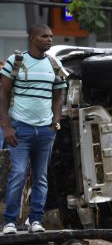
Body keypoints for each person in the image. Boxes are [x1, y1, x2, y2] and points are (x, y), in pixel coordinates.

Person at [0, 24, 67, 234]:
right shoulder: (16, 61)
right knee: (18, 174)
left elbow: (58, 96)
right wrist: (7, 127)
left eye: (51, 36)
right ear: (32, 38)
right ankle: (10, 221)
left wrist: (55, 122)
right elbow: (3, 95)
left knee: (41, 177)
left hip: (45, 131)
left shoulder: (54, 65)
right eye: (44, 36)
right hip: (20, 130)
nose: (49, 39)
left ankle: (35, 220)